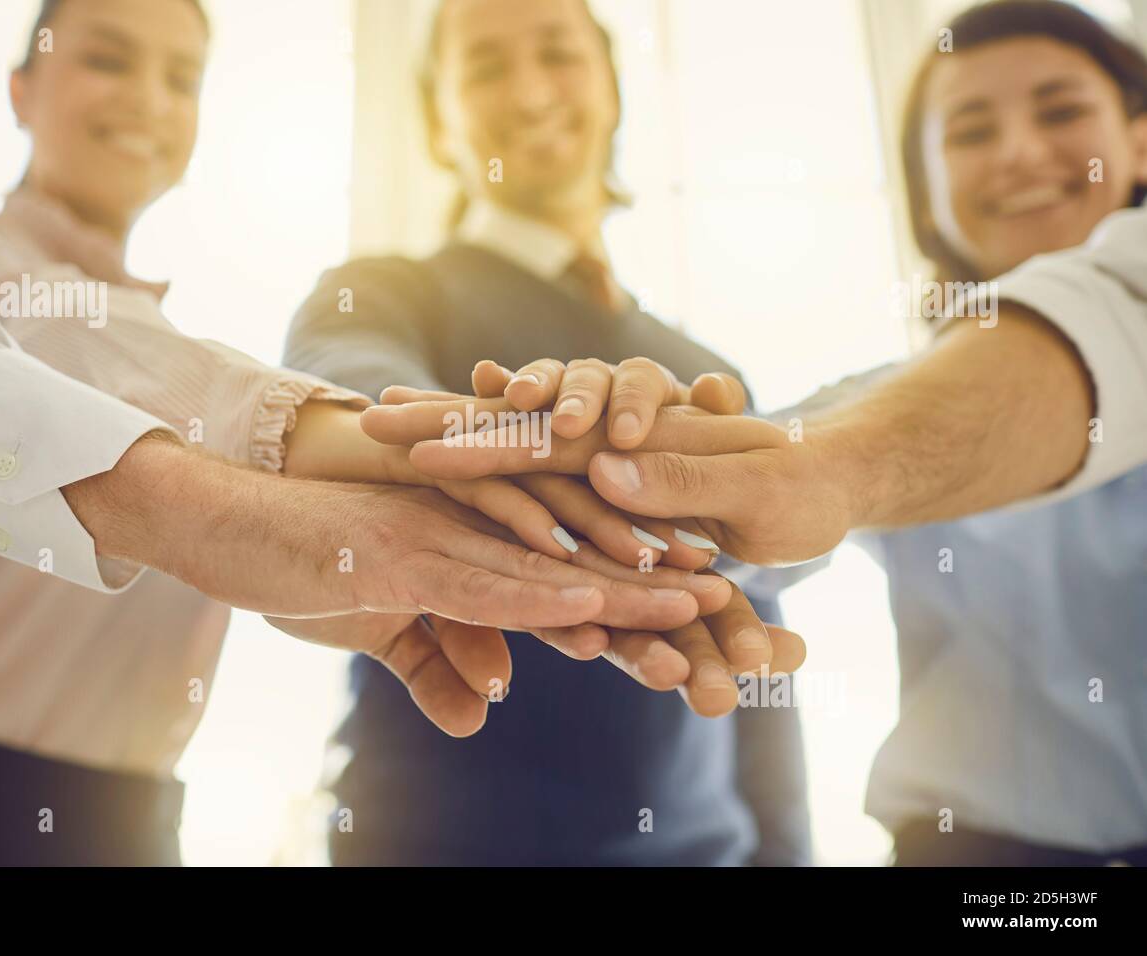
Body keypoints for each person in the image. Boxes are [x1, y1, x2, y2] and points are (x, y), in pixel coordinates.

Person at [0, 0, 754, 865]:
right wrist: (440, 447)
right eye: (107, 59)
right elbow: (82, 356)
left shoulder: (695, 360)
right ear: (19, 90)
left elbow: (750, 614)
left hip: (129, 814)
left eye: (181, 77)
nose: (146, 99)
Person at [379, 0, 1147, 868]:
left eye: (1060, 112)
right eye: (971, 130)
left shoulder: (701, 364)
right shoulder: (395, 292)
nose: (1016, 153)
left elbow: (757, 672)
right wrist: (653, 512)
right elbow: (750, 550)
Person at [284, 0, 811, 866]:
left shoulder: (706, 370)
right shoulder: (380, 293)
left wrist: (787, 854)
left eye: (558, 54)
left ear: (611, 88)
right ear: (438, 121)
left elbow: (754, 646)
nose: (530, 93)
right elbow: (356, 410)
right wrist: (622, 476)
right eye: (486, 67)